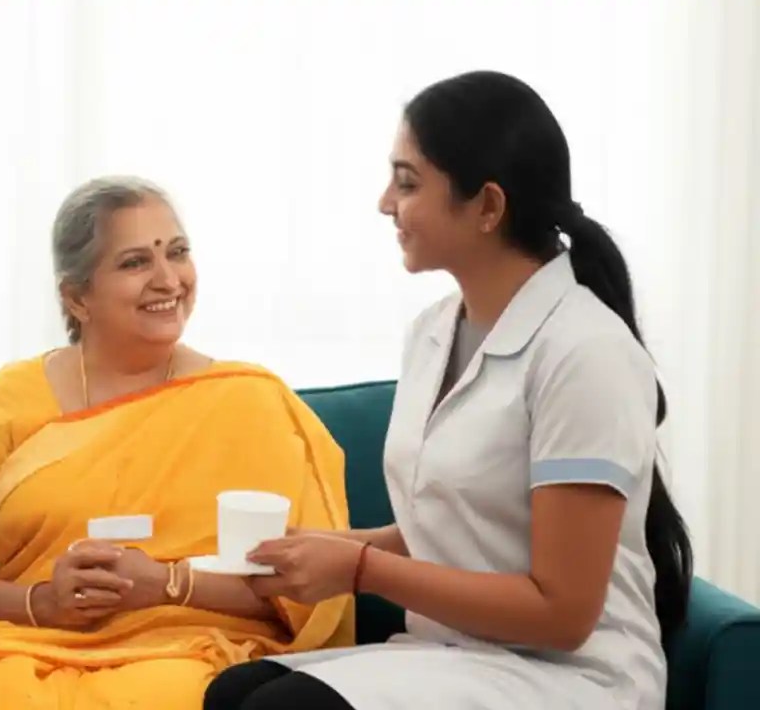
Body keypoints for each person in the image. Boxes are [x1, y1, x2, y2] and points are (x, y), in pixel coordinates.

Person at [203, 70, 694, 710]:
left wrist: (357, 570)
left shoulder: (586, 353)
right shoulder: (433, 333)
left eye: (407, 183)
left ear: (488, 207)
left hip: (568, 677)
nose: (386, 202)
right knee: (235, 690)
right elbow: (453, 525)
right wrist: (314, 549)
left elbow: (564, 614)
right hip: (461, 657)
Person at [0, 177, 356, 709]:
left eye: (178, 253)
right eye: (135, 262)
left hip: (187, 648)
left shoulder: (249, 400)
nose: (169, 280)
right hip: (19, 644)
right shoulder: (10, 398)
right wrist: (43, 602)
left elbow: (298, 593)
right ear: (77, 297)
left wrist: (168, 585)